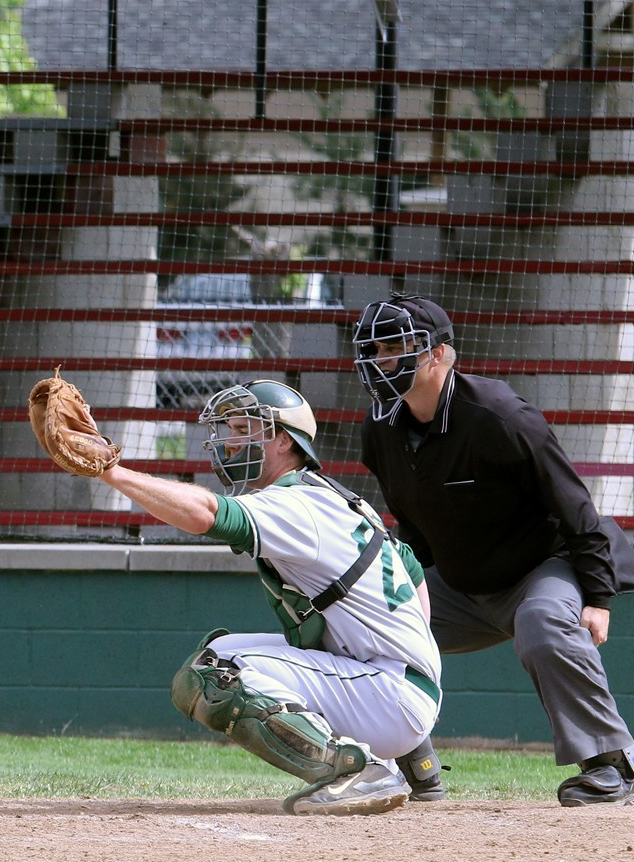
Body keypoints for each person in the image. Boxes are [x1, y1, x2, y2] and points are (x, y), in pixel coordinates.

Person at [97, 379, 442, 814]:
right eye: (230, 430)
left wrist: (112, 473)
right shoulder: (335, 497)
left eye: (244, 430)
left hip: (387, 692)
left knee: (216, 671)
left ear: (282, 440)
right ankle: (400, 756)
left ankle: (356, 771)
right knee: (217, 653)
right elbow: (411, 572)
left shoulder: (297, 504)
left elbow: (206, 514)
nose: (229, 442)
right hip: (389, 687)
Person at [355, 293, 634, 806]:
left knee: (542, 623)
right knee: (365, 624)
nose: (381, 361)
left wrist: (598, 596)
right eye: (375, 350)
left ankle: (611, 766)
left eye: (396, 348)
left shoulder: (500, 415)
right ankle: (411, 766)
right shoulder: (379, 430)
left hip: (543, 566)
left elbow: (576, 506)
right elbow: (413, 524)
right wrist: (409, 593)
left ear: (439, 354)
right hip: (461, 583)